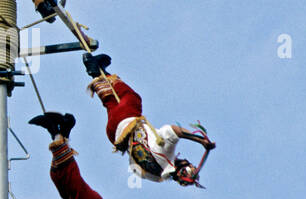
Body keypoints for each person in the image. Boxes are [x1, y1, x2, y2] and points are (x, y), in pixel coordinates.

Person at [82, 53, 216, 188]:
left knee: (133, 98)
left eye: (188, 163)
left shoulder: (166, 153)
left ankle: (96, 69)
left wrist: (201, 140)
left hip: (127, 119)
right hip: (114, 136)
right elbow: (135, 169)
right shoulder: (156, 176)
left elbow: (175, 130)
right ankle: (98, 72)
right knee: (110, 101)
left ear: (183, 166)